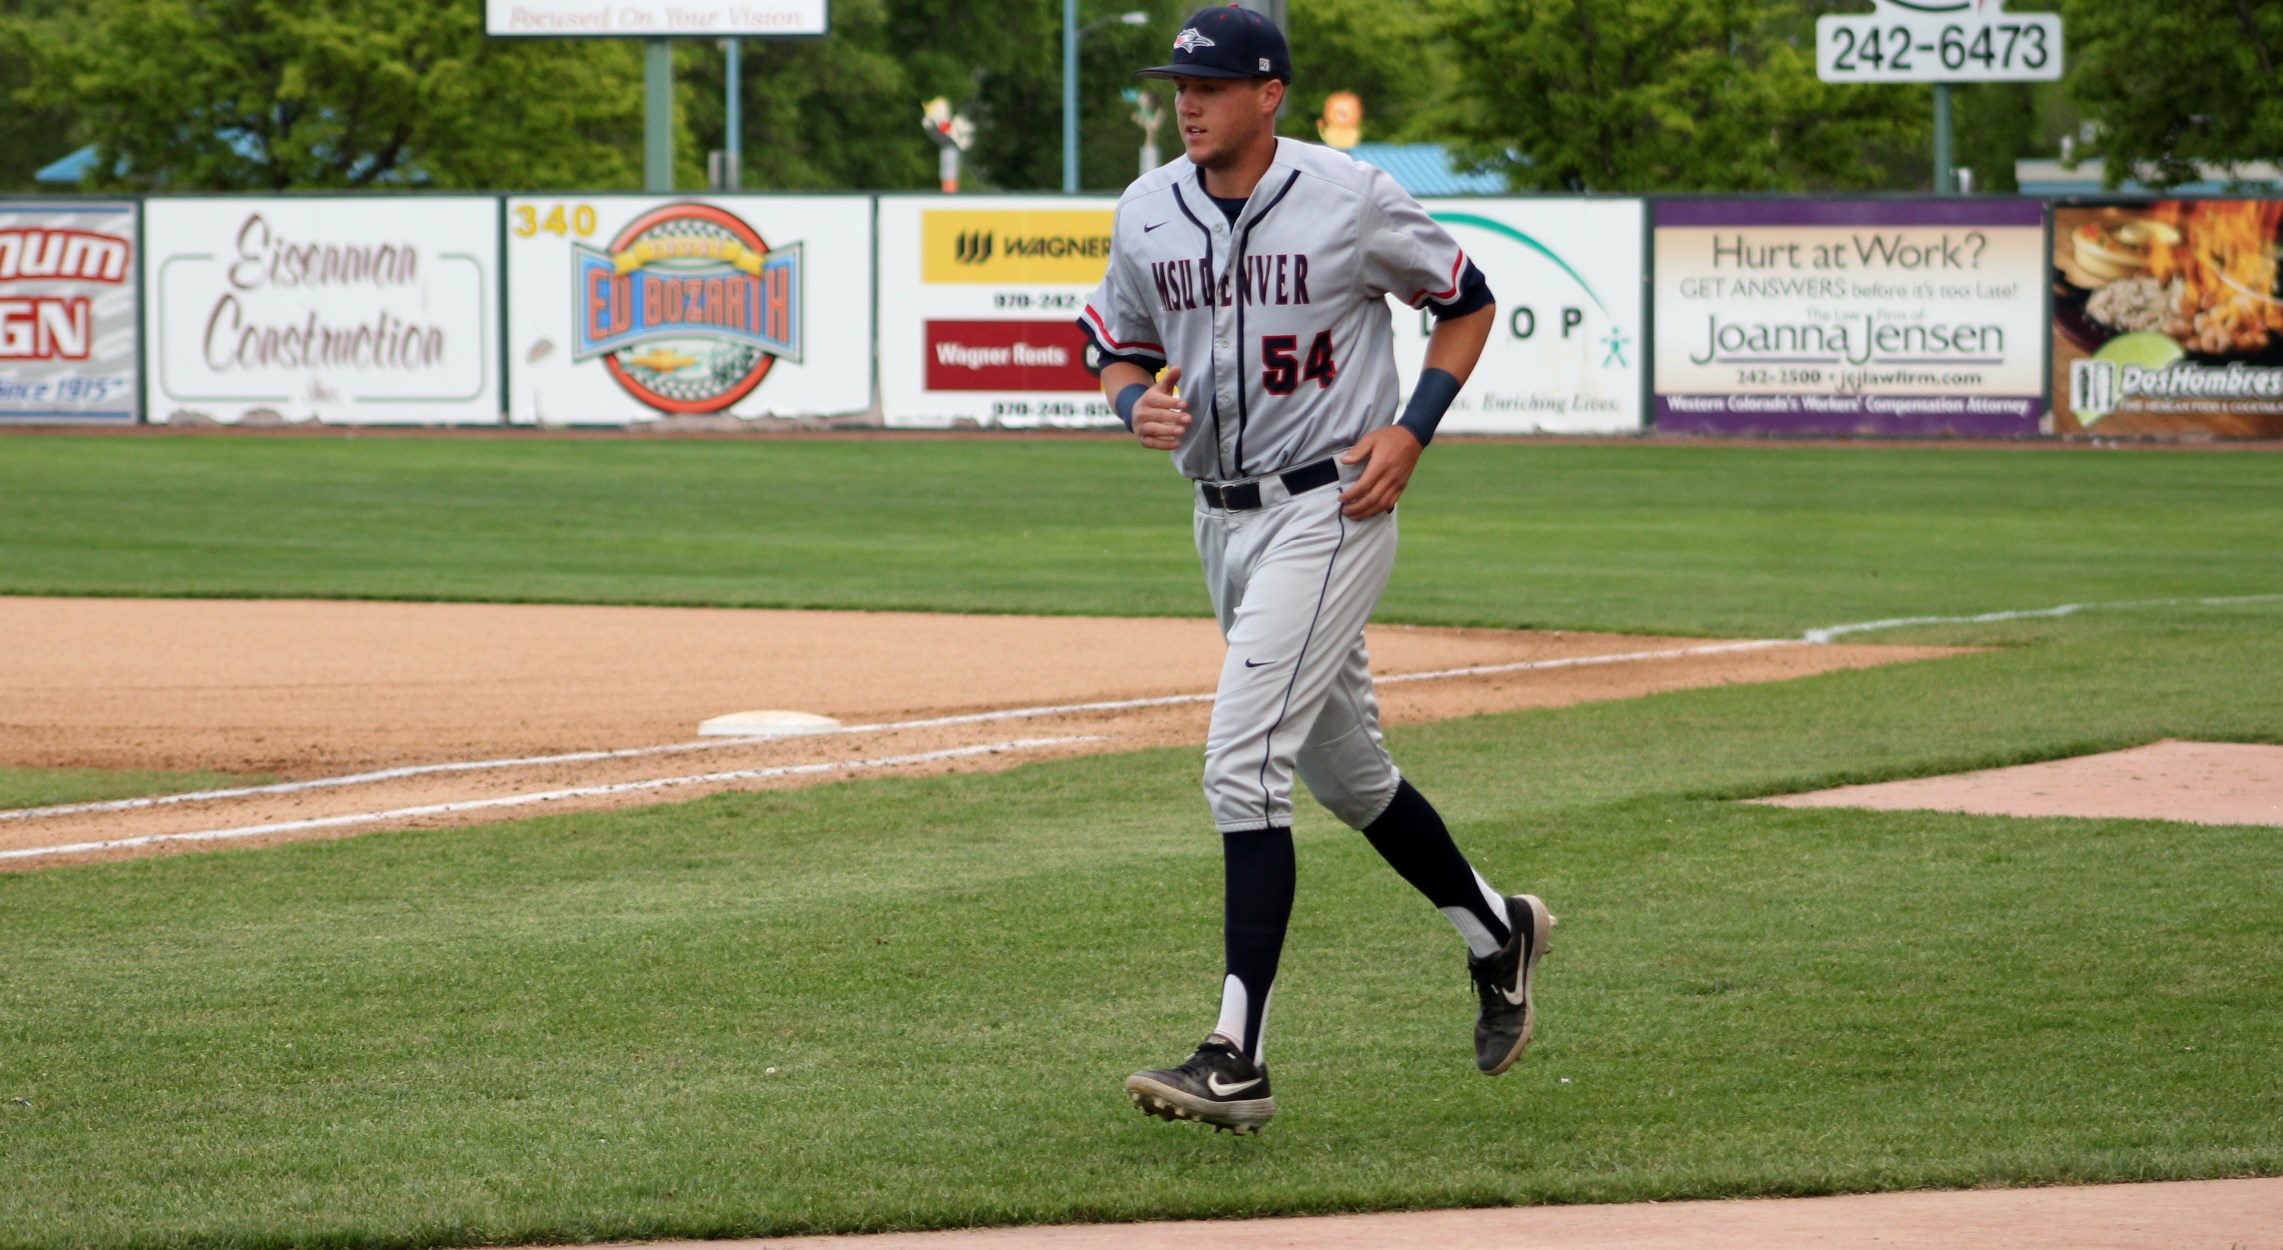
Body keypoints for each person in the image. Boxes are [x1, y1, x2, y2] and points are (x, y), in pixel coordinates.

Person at [1075, 4, 1551, 1136]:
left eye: (1210, 85)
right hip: (1219, 518)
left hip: (1332, 504)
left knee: (1242, 762)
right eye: (1179, 86)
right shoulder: (1148, 208)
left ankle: (1234, 1056)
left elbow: (1466, 301)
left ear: (1269, 93)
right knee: (1349, 775)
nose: (1188, 104)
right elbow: (1114, 344)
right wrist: (1131, 403)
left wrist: (1413, 429)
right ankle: (1498, 933)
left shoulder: (1349, 195)